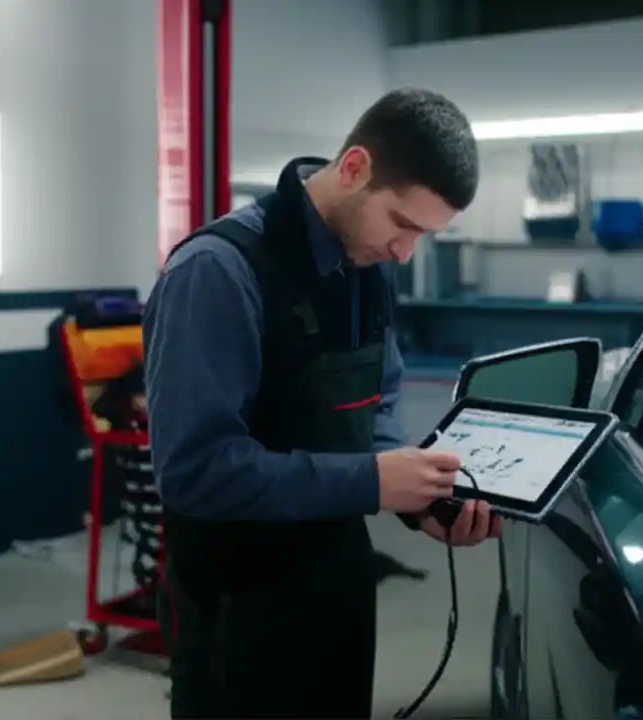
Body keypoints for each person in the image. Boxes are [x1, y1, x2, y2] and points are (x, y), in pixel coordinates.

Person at [144, 87, 502, 719]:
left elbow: (378, 402)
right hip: (237, 608)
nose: (404, 252)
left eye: (425, 235)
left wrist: (417, 496)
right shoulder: (217, 272)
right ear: (355, 169)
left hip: (336, 586)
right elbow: (195, 472)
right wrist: (372, 481)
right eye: (402, 224)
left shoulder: (368, 266)